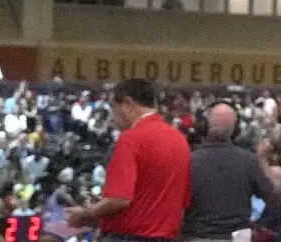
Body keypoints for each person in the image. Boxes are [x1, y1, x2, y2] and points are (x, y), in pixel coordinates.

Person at [66, 79, 191, 242]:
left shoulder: (130, 139)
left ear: (127, 104)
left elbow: (120, 199)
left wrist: (86, 213)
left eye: (113, 107)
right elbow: (183, 200)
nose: (111, 116)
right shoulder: (179, 139)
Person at [186, 102, 281, 242]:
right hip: (237, 238)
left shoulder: (190, 160)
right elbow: (273, 195)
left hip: (196, 237)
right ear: (235, 129)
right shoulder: (248, 161)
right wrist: (262, 158)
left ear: (205, 126)